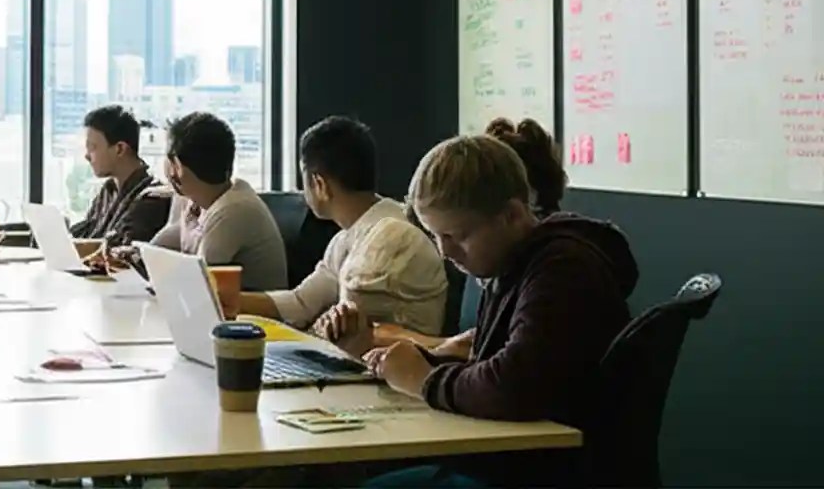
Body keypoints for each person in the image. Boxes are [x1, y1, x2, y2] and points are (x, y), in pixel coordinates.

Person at [362, 133, 637, 488]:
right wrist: (431, 360)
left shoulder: (564, 269)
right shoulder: (514, 264)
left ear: (512, 214)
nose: (445, 253)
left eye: (458, 236)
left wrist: (424, 380)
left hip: (543, 474)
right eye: (435, 237)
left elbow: (514, 385)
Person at [237, 116, 447, 356]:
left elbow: (346, 332)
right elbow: (301, 303)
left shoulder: (391, 237)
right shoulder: (352, 234)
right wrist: (221, 298)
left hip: (387, 383)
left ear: (319, 184)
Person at [387, 117, 569, 357]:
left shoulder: (554, 272)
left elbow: (505, 378)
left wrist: (419, 363)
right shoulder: (496, 266)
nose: (445, 251)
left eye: (458, 235)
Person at [149, 111, 287, 291]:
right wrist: (131, 255)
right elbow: (173, 238)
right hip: (220, 310)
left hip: (252, 315)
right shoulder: (193, 196)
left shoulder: (233, 210)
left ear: (177, 167)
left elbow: (198, 282)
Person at [69, 105, 171, 247]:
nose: (87, 156)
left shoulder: (152, 198)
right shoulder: (108, 191)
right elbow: (89, 234)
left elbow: (118, 251)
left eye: (92, 147)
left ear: (120, 149)